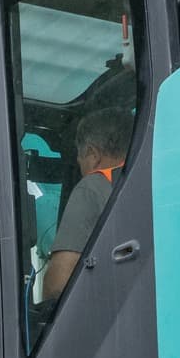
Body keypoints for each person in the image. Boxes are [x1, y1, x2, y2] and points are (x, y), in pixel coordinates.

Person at [42, 107, 134, 303]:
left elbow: (59, 284)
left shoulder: (93, 187)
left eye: (79, 158)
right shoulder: (151, 181)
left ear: (93, 154)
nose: (79, 165)